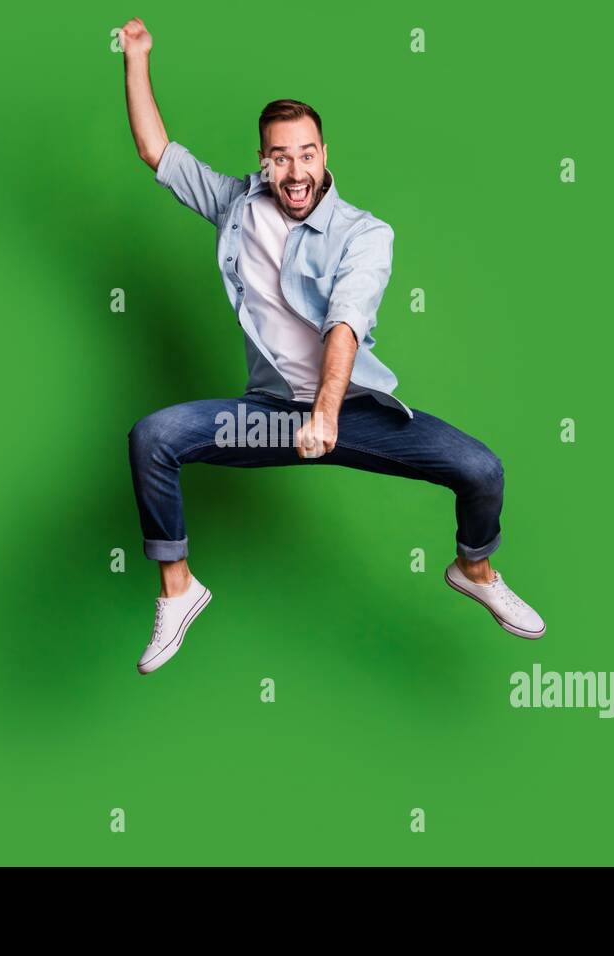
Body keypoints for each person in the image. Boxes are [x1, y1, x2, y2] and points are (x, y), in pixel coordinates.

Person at [119, 16, 546, 675]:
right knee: (154, 436)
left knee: (482, 470)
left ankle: (474, 569)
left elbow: (344, 319)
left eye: (308, 152)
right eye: (281, 154)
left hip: (353, 413)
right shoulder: (236, 205)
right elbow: (156, 151)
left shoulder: (365, 233)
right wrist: (137, 58)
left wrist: (326, 412)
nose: (296, 169)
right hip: (266, 420)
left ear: (324, 154)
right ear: (265, 157)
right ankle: (179, 590)